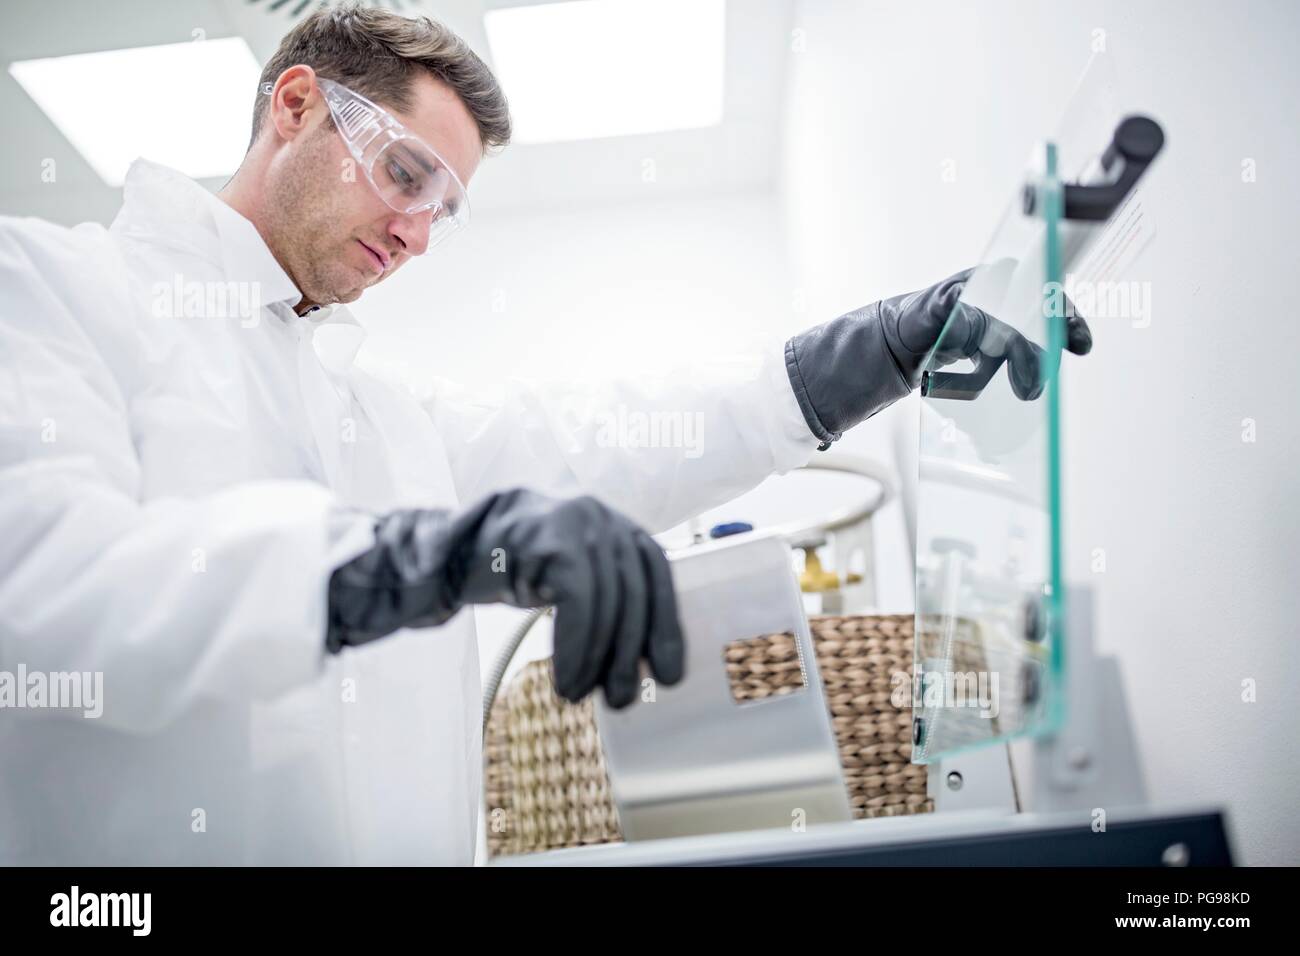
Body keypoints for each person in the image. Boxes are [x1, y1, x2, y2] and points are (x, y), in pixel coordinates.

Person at [0, 5, 1088, 865]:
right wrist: (402, 559)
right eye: (405, 174)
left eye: (445, 207)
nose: (418, 233)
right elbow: (43, 582)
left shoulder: (369, 406)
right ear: (294, 104)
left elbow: (607, 439)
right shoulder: (50, 285)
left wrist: (883, 349)